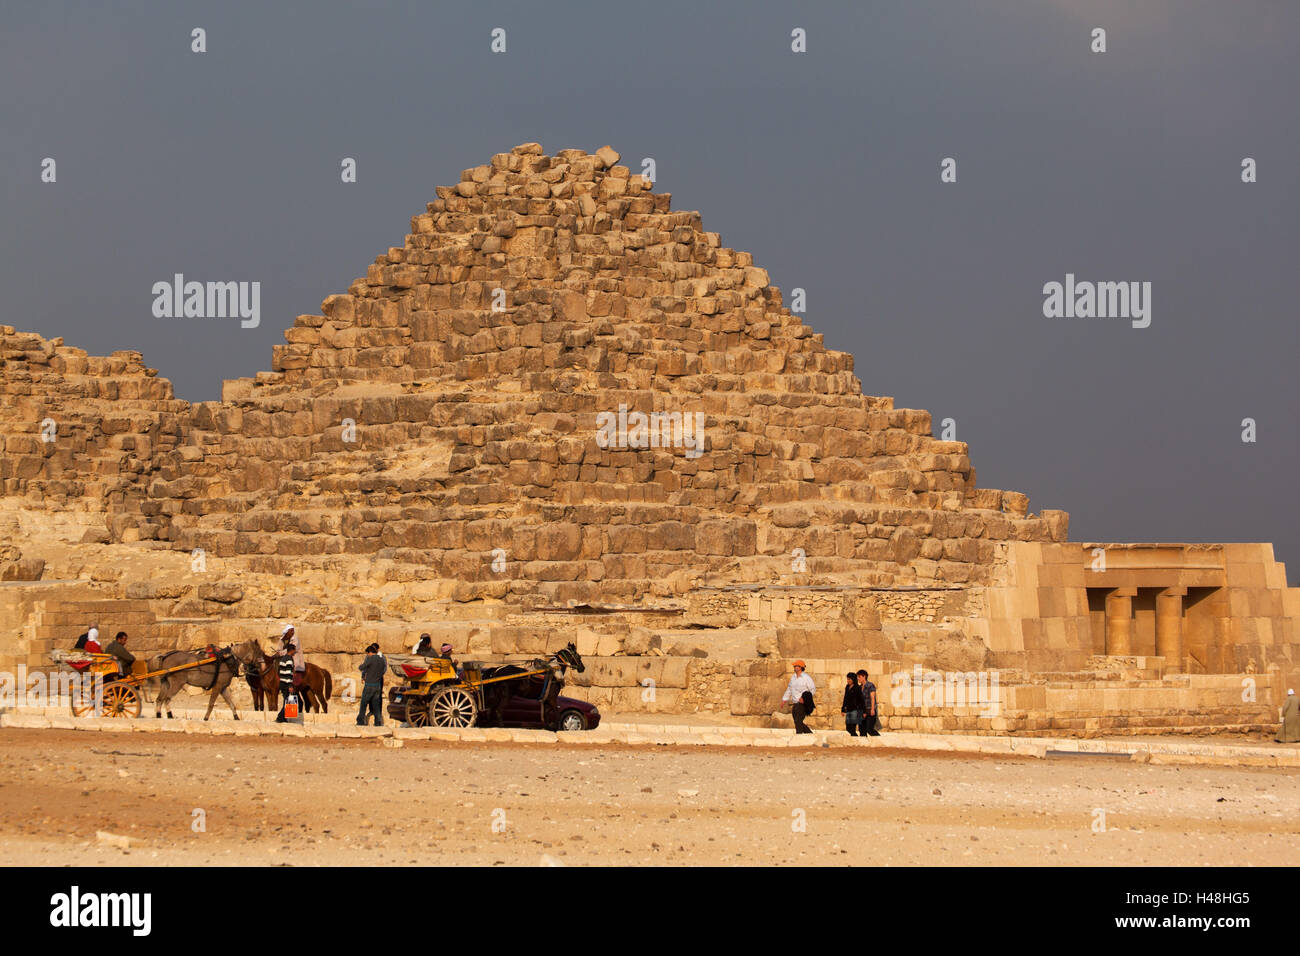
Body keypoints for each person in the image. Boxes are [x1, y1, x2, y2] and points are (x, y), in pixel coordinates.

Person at [782, 660, 816, 734]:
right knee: (797, 721)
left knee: (798, 720)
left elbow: (812, 690)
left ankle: (799, 735)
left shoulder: (806, 678)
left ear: (800, 667)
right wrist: (784, 699)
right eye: (794, 666)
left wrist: (805, 699)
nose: (794, 667)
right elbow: (789, 689)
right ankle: (809, 733)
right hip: (795, 703)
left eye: (796, 666)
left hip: (802, 704)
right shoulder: (793, 678)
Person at [356, 643, 385, 727]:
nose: (367, 655)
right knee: (376, 705)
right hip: (377, 685)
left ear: (370, 652)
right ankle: (378, 722)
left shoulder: (370, 659)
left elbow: (361, 667)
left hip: (369, 685)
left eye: (367, 653)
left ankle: (360, 721)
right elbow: (383, 670)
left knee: (363, 704)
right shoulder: (382, 660)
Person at [275, 640, 298, 723]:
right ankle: (279, 718)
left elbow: (279, 672)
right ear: (291, 650)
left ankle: (283, 718)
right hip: (287, 684)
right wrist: (290, 686)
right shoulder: (289, 659)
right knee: (288, 702)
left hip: (282, 682)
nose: (295, 652)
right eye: (294, 650)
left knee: (286, 700)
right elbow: (288, 673)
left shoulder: (282, 659)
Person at [857, 669, 880, 736]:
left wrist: (872, 709)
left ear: (864, 677)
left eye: (859, 677)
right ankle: (864, 745)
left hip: (870, 709)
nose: (858, 679)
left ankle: (879, 740)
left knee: (869, 729)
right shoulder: (859, 687)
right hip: (862, 710)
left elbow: (872, 698)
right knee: (861, 729)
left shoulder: (870, 685)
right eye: (857, 677)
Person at [841, 671, 865, 736]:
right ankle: (855, 738)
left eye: (849, 679)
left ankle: (855, 741)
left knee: (852, 727)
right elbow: (845, 698)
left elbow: (861, 700)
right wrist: (843, 709)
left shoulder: (857, 688)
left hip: (855, 710)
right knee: (848, 728)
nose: (848, 681)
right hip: (848, 709)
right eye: (847, 679)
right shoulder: (847, 687)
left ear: (853, 679)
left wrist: (863, 711)